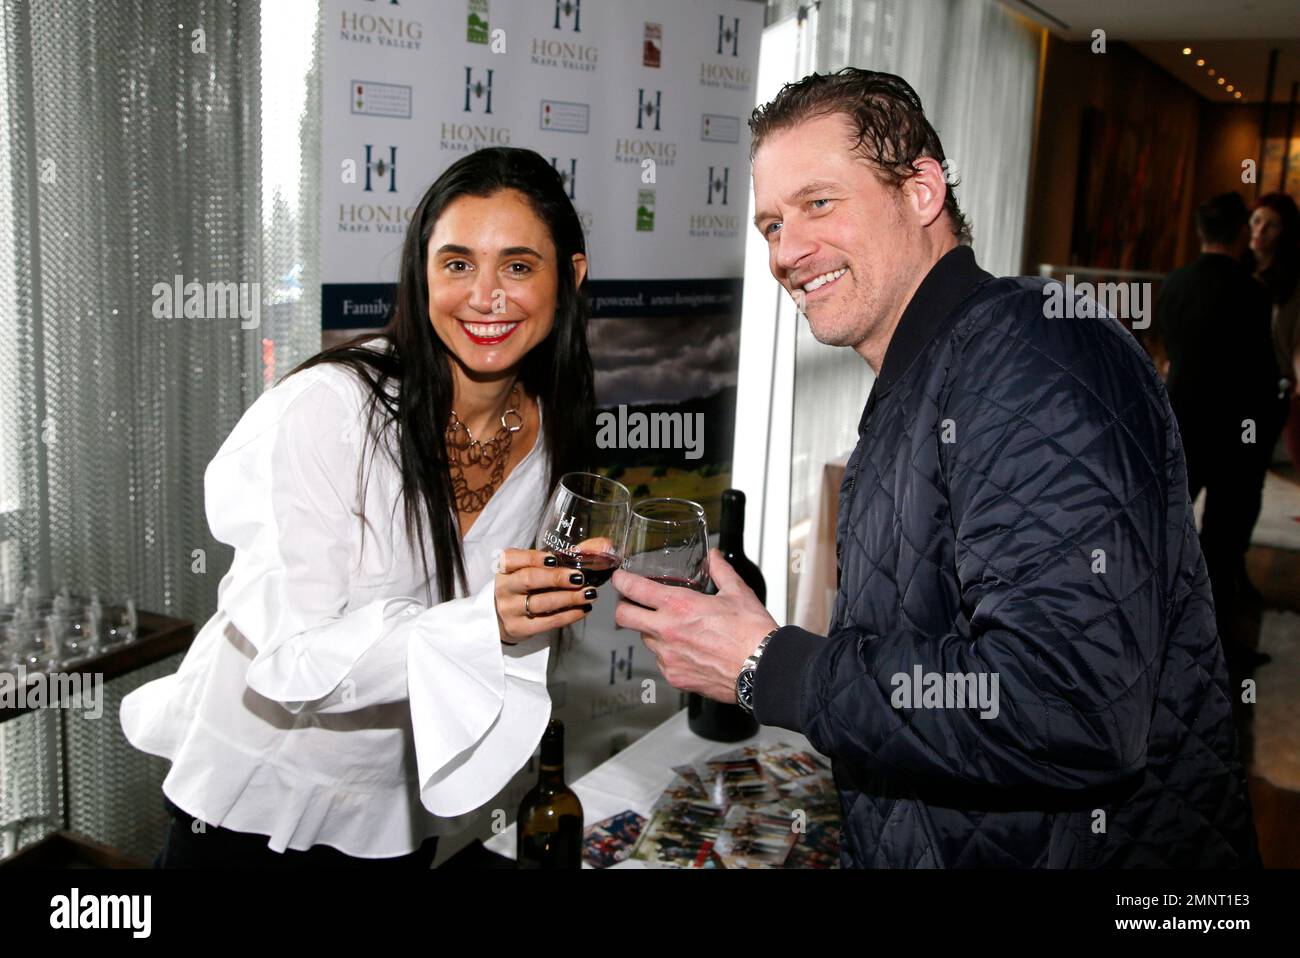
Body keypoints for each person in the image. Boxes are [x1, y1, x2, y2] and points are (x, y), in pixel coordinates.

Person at [613, 68, 1259, 868]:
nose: (788, 250)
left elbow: (1068, 705)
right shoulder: (931, 379)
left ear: (921, 191)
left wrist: (768, 666)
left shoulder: (1033, 351)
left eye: (819, 203)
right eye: (771, 224)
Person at [120, 147, 599, 867]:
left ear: (571, 276)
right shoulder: (330, 412)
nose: (486, 296)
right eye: (458, 263)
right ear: (422, 272)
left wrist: (542, 603)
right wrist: (481, 622)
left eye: (520, 266)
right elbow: (289, 659)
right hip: (254, 810)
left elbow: (498, 652)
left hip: (394, 823)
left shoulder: (550, 437)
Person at [1158, 192, 1280, 659]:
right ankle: (1215, 648)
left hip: (1182, 422)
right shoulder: (1251, 293)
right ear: (1237, 235)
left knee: (1166, 531)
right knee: (1222, 545)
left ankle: (1156, 635)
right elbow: (1259, 370)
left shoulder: (1175, 284)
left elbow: (1169, 349)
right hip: (1235, 432)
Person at [1246, 192, 1300, 473]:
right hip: (1230, 380)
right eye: (1256, 221)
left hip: (1272, 384)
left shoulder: (1292, 283)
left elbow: (1294, 341)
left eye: (1271, 226)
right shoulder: (1234, 269)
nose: (1260, 231)